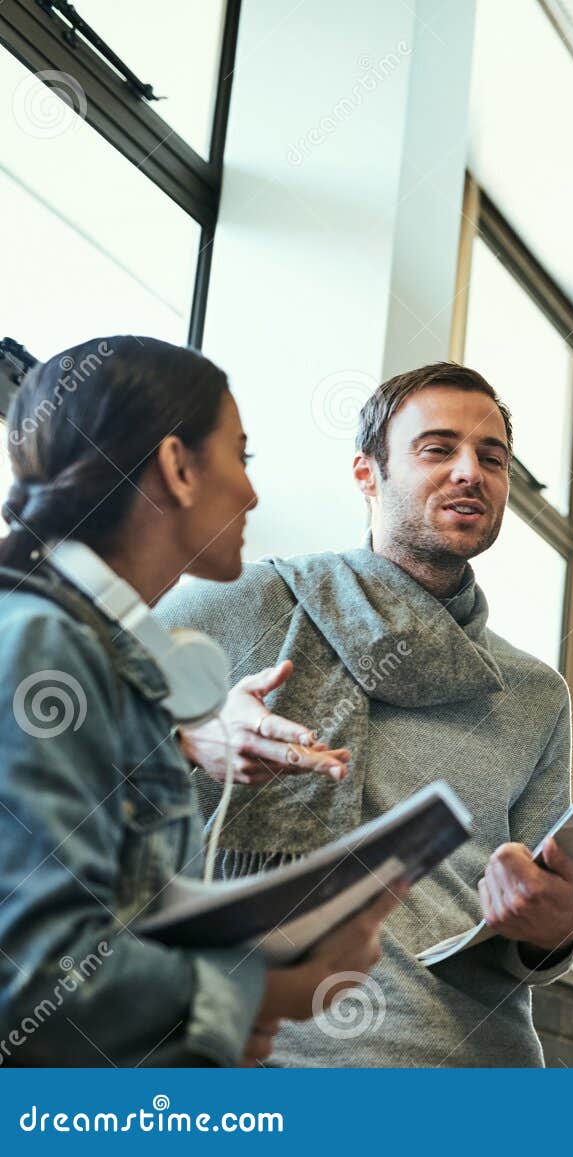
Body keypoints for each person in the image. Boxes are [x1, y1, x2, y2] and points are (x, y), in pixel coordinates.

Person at [155, 362, 573, 1067]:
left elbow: (535, 919)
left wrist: (555, 928)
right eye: (437, 449)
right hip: (270, 1065)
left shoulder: (536, 691)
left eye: (492, 457)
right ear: (367, 474)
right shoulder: (244, 608)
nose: (470, 472)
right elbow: (54, 748)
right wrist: (187, 735)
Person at [0, 336, 397, 1067]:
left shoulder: (94, 657)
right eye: (239, 458)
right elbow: (36, 983)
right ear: (178, 466)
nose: (250, 492)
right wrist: (272, 987)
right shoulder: (42, 648)